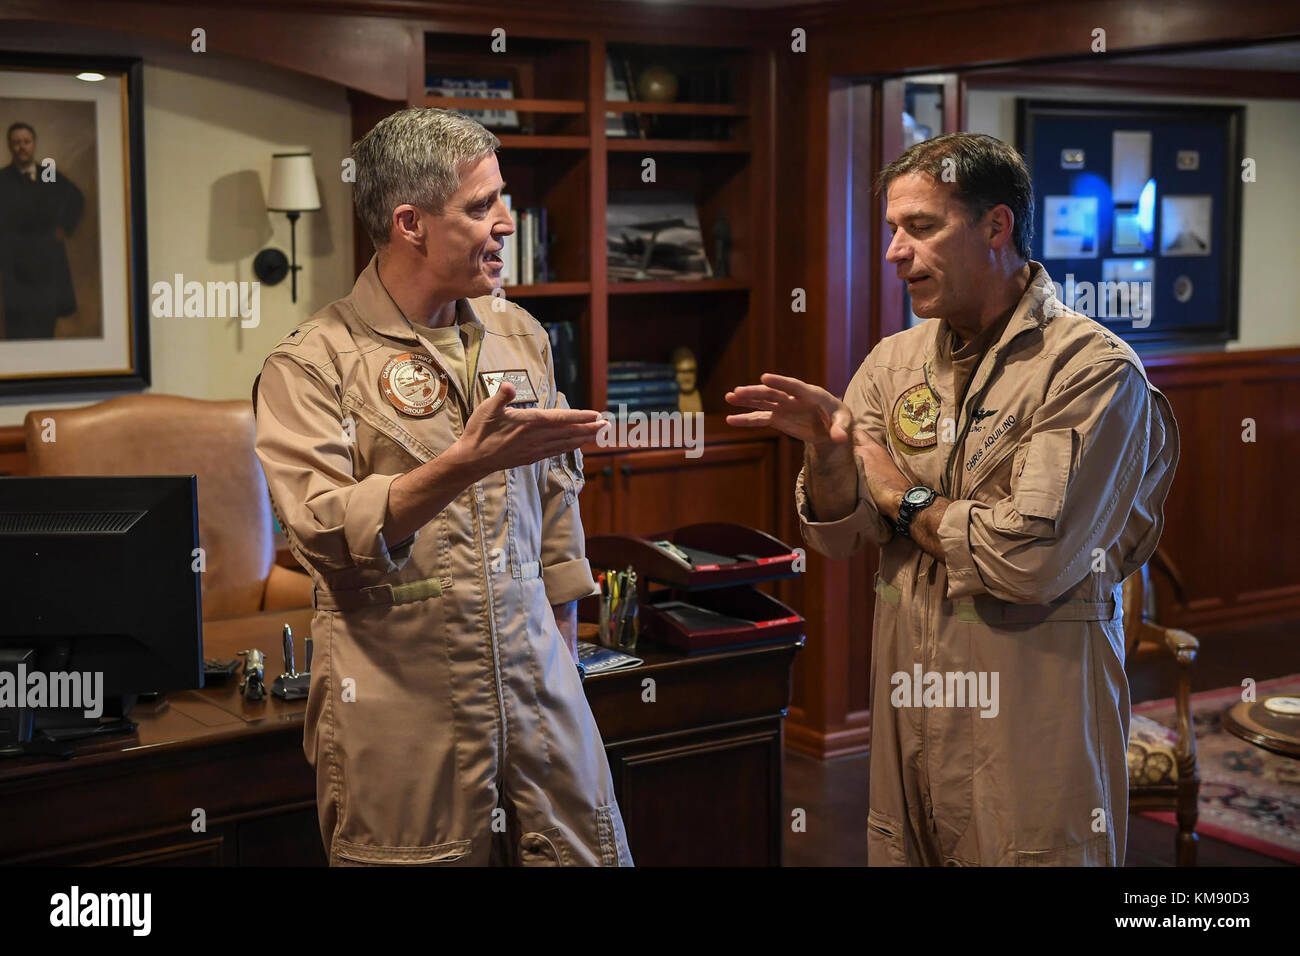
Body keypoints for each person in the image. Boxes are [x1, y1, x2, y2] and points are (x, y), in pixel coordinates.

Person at [726, 132, 1178, 866]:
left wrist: (905, 497)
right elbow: (840, 537)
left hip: (1035, 714)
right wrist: (831, 456)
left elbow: (1026, 563)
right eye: (892, 230)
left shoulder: (1092, 372)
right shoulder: (893, 361)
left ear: (997, 227)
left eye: (922, 227)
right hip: (911, 699)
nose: (894, 252)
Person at [253, 108, 633, 867]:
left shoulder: (520, 334)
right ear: (410, 223)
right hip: (402, 707)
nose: (505, 222)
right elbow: (325, 535)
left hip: (544, 695)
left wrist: (565, 661)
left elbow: (556, 504)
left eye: (503, 199)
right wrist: (460, 465)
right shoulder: (310, 364)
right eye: (480, 206)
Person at [0, 121, 85, 339]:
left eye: (26, 142)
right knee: (17, 328)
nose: (22, 147)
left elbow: (75, 197)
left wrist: (64, 226)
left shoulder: (47, 174)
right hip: (14, 268)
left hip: (47, 266)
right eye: (16, 142)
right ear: (9, 146)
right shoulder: (2, 178)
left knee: (45, 326)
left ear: (34, 144)